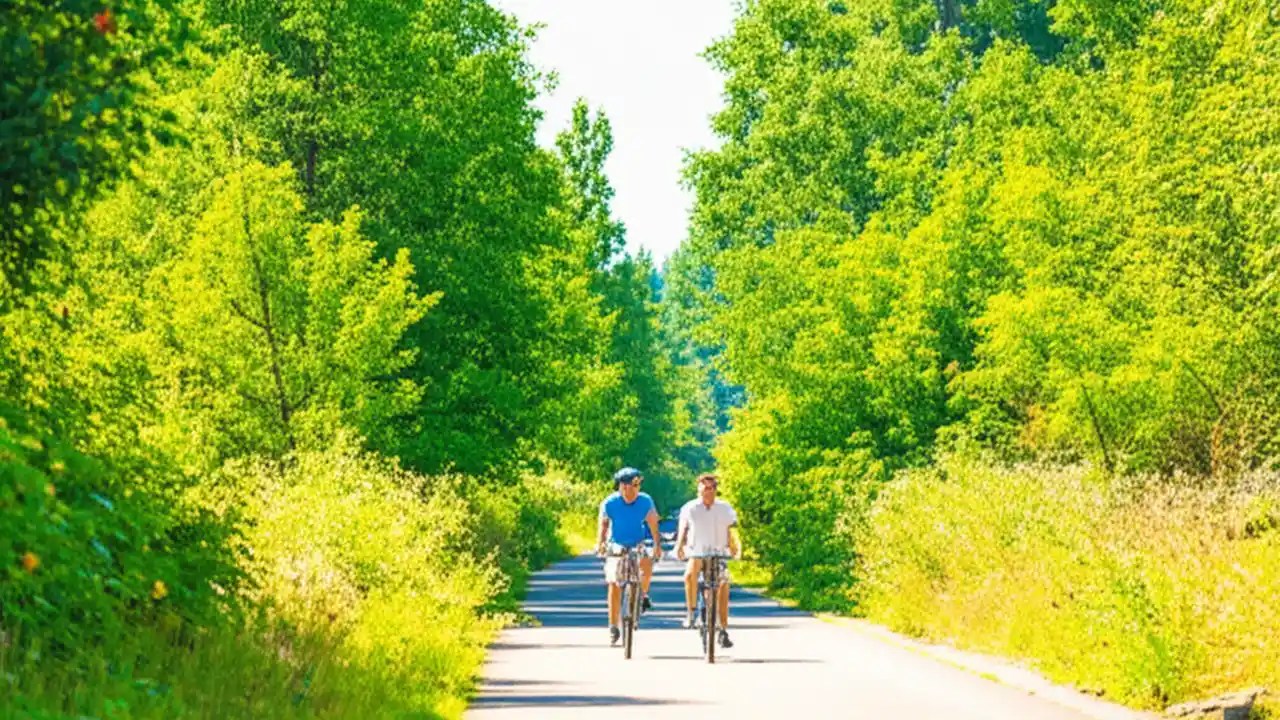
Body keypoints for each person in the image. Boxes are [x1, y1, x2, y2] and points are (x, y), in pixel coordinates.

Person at [596, 466, 663, 646]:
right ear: (619, 486)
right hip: (616, 543)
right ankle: (613, 626)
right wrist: (601, 544)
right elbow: (603, 526)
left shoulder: (645, 501)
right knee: (614, 583)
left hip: (638, 541)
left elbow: (653, 524)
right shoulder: (610, 503)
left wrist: (657, 545)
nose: (630, 491)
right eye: (625, 486)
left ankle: (643, 594)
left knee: (646, 563)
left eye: (634, 486)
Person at [675, 473, 740, 649]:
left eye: (711, 488)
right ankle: (691, 612)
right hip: (697, 551)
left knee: (724, 584)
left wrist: (735, 547)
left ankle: (723, 628)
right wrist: (679, 546)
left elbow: (732, 530)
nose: (708, 492)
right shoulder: (690, 508)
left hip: (718, 552)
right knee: (690, 574)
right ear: (698, 489)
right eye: (705, 488)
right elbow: (683, 529)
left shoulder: (724, 508)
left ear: (716, 490)